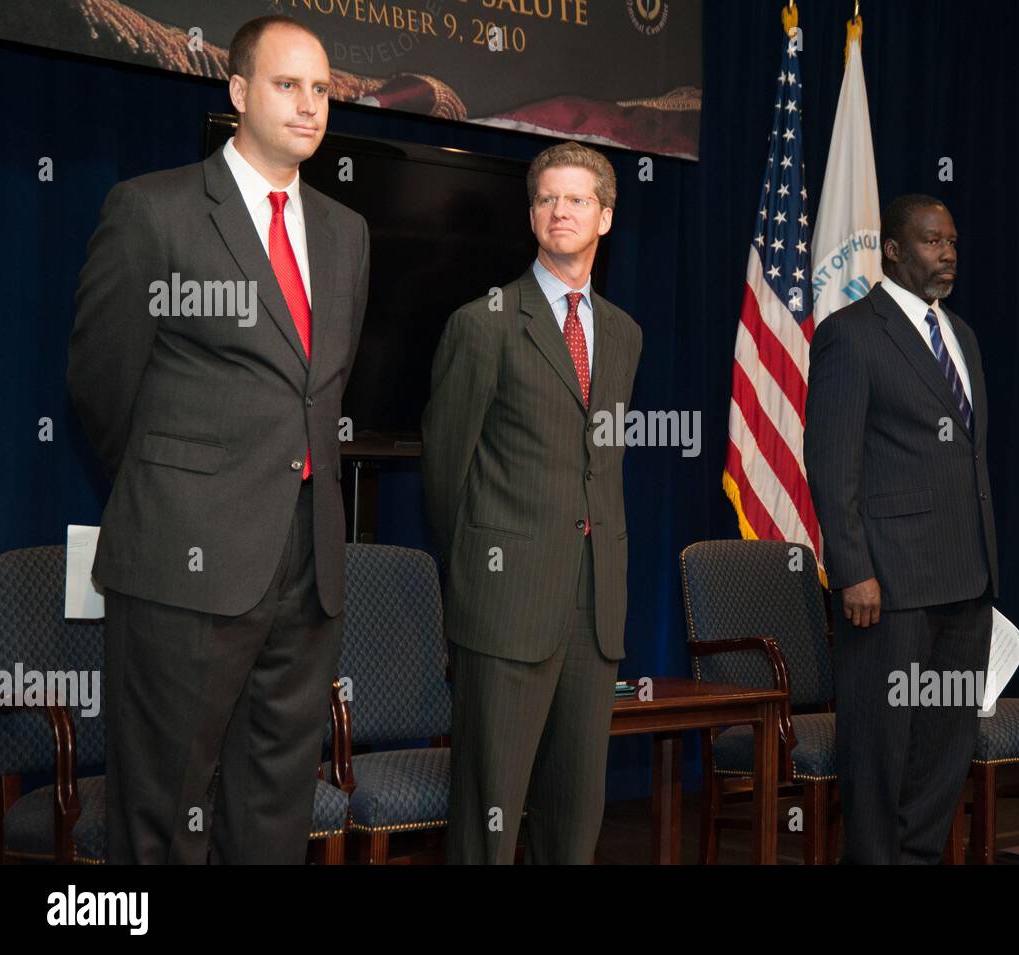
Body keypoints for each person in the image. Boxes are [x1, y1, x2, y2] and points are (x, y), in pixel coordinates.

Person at [67, 14, 369, 863]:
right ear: (238, 92)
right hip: (182, 560)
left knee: (273, 810)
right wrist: (181, 493)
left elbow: (319, 391)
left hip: (308, 565)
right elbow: (102, 384)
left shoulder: (348, 235)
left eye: (321, 89)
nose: (310, 106)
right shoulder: (153, 210)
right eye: (286, 85)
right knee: (159, 812)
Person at [421, 141, 642, 864]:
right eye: (547, 198)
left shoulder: (624, 334)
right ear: (530, 214)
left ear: (605, 217)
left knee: (573, 823)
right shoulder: (482, 322)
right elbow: (447, 474)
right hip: (504, 607)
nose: (560, 211)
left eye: (577, 199)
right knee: (487, 826)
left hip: (594, 607)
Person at [805, 194, 998, 864]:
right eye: (929, 240)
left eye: (950, 240)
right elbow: (832, 463)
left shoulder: (964, 336)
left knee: (943, 754)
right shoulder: (851, 333)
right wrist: (853, 567)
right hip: (888, 588)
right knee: (880, 755)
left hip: (966, 582)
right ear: (892, 249)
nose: (946, 252)